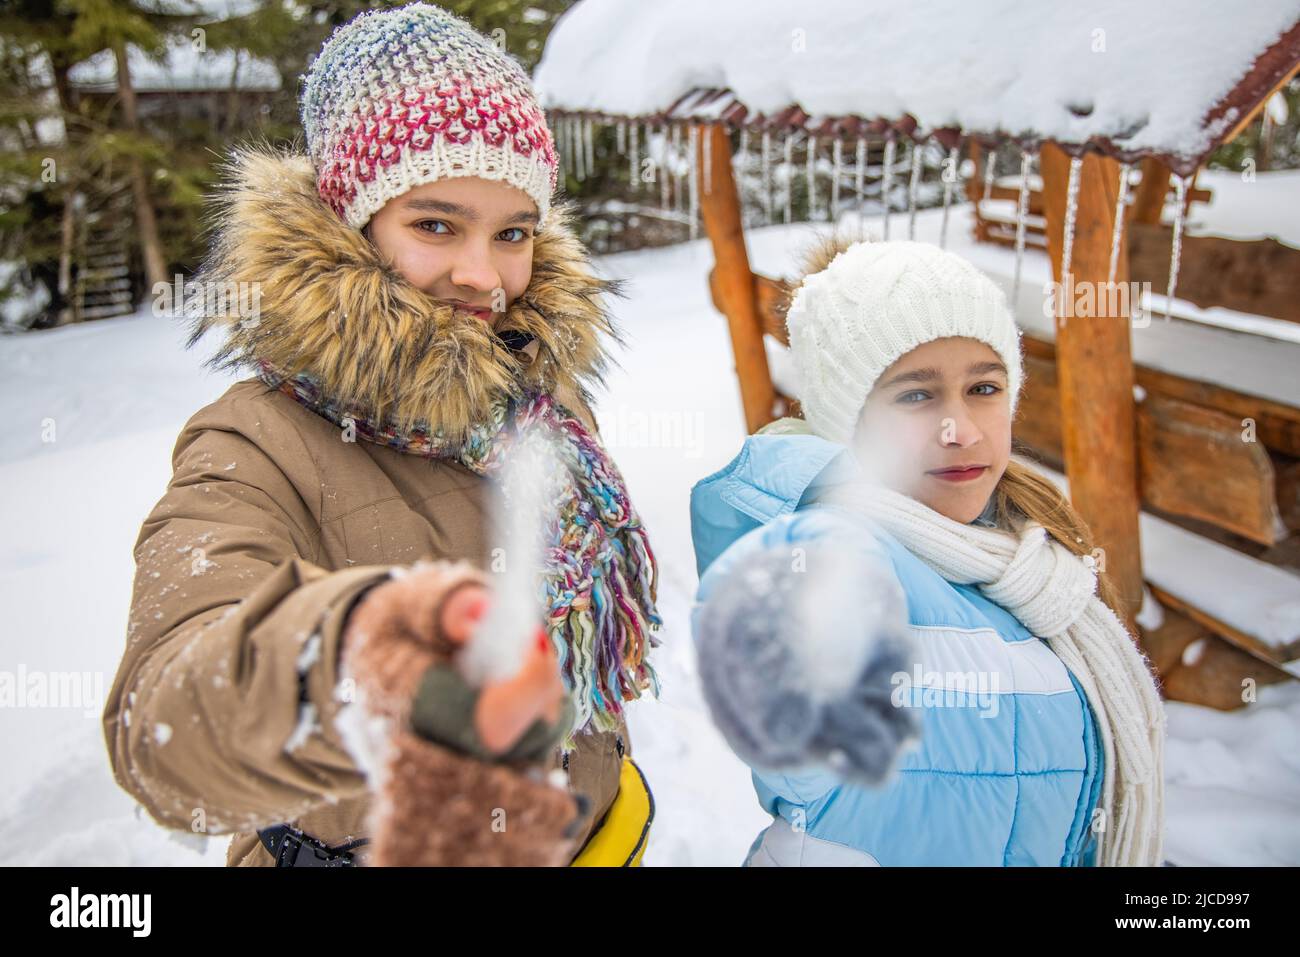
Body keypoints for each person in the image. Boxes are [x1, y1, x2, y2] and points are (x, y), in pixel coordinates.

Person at [103, 2, 659, 867]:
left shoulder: (542, 397)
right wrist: (352, 657)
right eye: (435, 224)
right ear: (349, 221)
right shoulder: (253, 444)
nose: (484, 278)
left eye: (512, 232)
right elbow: (162, 728)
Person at [690, 237, 1166, 866]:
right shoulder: (833, 546)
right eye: (916, 395)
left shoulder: (1031, 555)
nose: (961, 430)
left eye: (985, 388)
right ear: (847, 422)